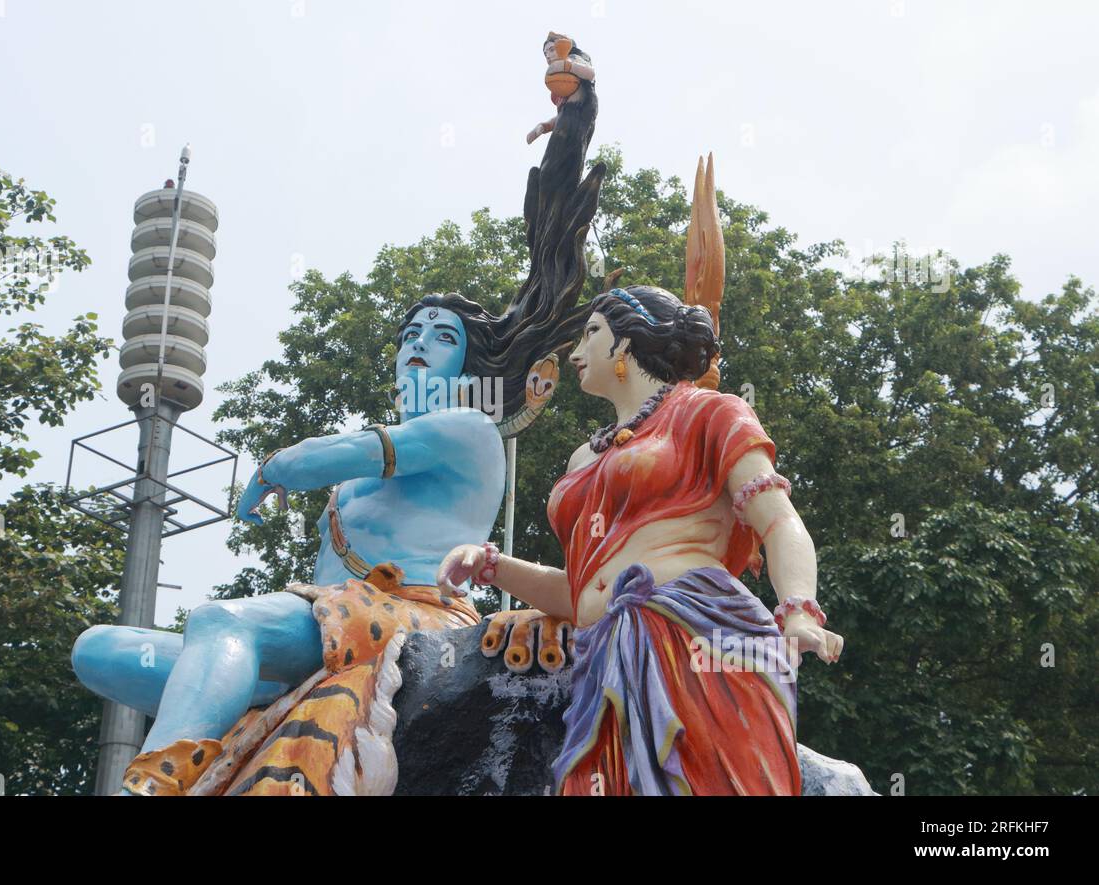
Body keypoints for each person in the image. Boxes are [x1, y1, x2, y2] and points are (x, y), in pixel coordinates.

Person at [71, 36, 606, 795]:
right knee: (100, 649)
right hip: (322, 629)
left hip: (408, 623)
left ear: (471, 365)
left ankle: (152, 786)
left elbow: (326, 456)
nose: (420, 346)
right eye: (411, 333)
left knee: (222, 622)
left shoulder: (467, 430)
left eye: (442, 337)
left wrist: (273, 471)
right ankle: (229, 698)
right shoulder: (394, 450)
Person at [437, 285, 845, 796]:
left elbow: (778, 520)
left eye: (591, 334)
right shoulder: (582, 460)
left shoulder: (711, 412)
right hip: (602, 663)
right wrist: (491, 566)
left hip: (698, 640)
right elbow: (580, 591)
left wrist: (799, 610)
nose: (575, 351)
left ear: (625, 344)